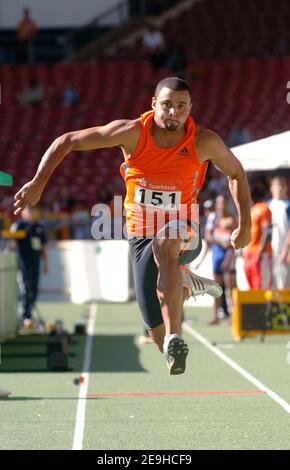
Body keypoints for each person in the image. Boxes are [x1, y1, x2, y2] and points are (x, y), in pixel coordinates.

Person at [13, 77, 252, 375]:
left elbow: (237, 173)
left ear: (190, 108)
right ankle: (182, 295)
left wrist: (246, 224)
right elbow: (68, 141)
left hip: (184, 229)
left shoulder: (204, 141)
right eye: (167, 105)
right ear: (154, 105)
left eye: (181, 106)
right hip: (140, 233)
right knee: (154, 329)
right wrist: (38, 183)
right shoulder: (132, 133)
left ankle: (177, 334)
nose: (174, 113)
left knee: (165, 246)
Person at [10, 206, 48, 326]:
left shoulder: (39, 227)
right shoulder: (19, 226)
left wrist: (46, 264)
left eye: (32, 211)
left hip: (35, 264)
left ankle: (28, 314)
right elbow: (13, 245)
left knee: (34, 290)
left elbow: (44, 248)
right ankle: (23, 314)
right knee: (24, 289)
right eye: (28, 211)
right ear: (23, 213)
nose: (30, 213)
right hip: (23, 264)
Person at [243, 182, 272, 289]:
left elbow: (267, 230)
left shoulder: (264, 208)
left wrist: (261, 250)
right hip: (250, 251)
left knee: (261, 285)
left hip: (260, 253)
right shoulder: (252, 209)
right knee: (252, 286)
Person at [268, 176, 290, 288]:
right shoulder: (267, 205)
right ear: (271, 188)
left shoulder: (287, 205)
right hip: (269, 251)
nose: (279, 188)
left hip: (283, 250)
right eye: (276, 186)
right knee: (272, 282)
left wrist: (286, 250)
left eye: (281, 186)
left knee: (284, 283)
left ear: (286, 188)